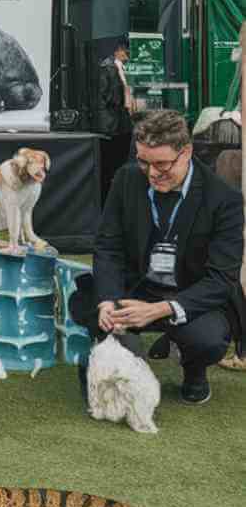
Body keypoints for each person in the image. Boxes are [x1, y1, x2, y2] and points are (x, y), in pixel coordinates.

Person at [71, 109, 245, 406]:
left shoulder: (223, 199)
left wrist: (160, 309)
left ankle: (195, 371)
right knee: (101, 319)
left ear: (186, 152)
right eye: (143, 162)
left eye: (162, 164)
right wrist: (108, 301)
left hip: (189, 291)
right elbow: (108, 247)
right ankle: (112, 354)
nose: (152, 173)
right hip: (135, 285)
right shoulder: (126, 179)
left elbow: (221, 279)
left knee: (208, 339)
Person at [96, 40, 134, 198]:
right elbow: (105, 94)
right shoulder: (108, 67)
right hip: (112, 123)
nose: (128, 56)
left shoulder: (119, 67)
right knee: (113, 159)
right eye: (126, 52)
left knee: (120, 157)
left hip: (120, 120)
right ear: (118, 50)